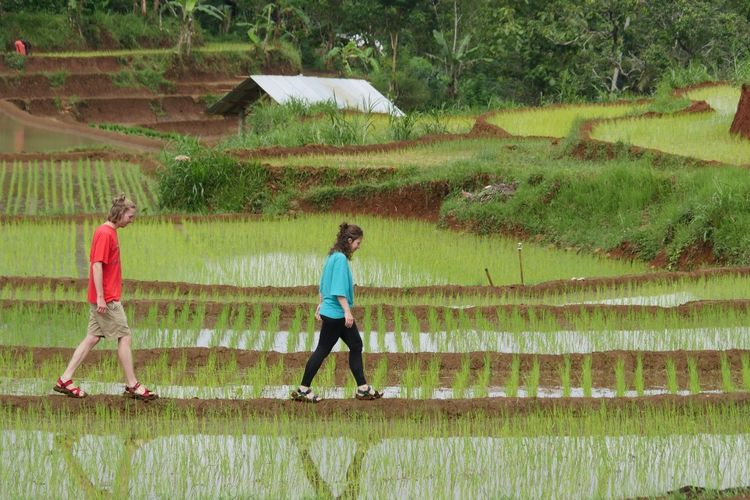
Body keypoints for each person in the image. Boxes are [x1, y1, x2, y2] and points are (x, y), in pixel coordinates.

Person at [53, 194, 158, 401]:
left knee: (92, 338)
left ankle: (65, 379)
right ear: (119, 214)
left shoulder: (110, 232)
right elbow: (96, 265)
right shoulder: (105, 233)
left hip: (104, 296)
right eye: (130, 216)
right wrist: (102, 297)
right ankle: (132, 385)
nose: (132, 220)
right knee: (125, 336)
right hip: (107, 299)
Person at [291, 222, 382, 403]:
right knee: (323, 349)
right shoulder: (340, 259)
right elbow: (338, 289)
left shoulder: (333, 256)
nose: (358, 247)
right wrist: (347, 312)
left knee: (355, 344)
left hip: (331, 311)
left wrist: (321, 304)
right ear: (349, 240)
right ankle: (303, 389)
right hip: (337, 314)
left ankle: (363, 388)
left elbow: (323, 283)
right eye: (357, 243)